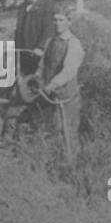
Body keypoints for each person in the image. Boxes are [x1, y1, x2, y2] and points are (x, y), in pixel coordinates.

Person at [1, 0, 56, 140]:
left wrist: (40, 48)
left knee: (38, 93)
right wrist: (14, 50)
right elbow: (19, 31)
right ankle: (10, 132)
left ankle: (37, 130)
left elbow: (48, 29)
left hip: (40, 58)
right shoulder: (23, 7)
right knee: (18, 93)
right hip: (23, 57)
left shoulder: (47, 5)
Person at [33, 9, 85, 159]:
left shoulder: (74, 43)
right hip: (48, 92)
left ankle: (71, 162)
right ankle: (51, 159)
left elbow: (69, 70)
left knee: (68, 129)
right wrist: (38, 77)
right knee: (50, 127)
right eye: (55, 20)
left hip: (66, 93)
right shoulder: (50, 41)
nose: (57, 23)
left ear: (69, 22)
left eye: (61, 20)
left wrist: (53, 84)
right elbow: (43, 64)